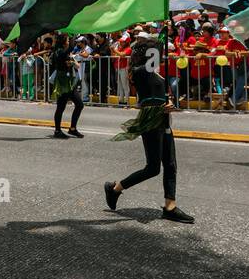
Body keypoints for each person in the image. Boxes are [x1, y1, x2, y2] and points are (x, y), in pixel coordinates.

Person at [104, 40, 195, 223]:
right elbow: (147, 100)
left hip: (164, 120)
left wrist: (168, 103)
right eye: (156, 52)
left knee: (170, 164)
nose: (159, 55)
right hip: (151, 121)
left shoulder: (156, 73)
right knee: (153, 168)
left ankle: (170, 206)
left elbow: (159, 95)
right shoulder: (140, 72)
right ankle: (115, 189)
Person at [48, 33, 84, 138]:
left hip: (70, 82)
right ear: (63, 42)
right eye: (67, 40)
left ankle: (72, 128)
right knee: (61, 107)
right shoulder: (59, 52)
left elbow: (77, 65)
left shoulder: (66, 53)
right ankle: (57, 131)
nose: (69, 42)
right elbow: (65, 62)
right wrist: (71, 60)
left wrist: (73, 61)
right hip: (62, 82)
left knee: (79, 104)